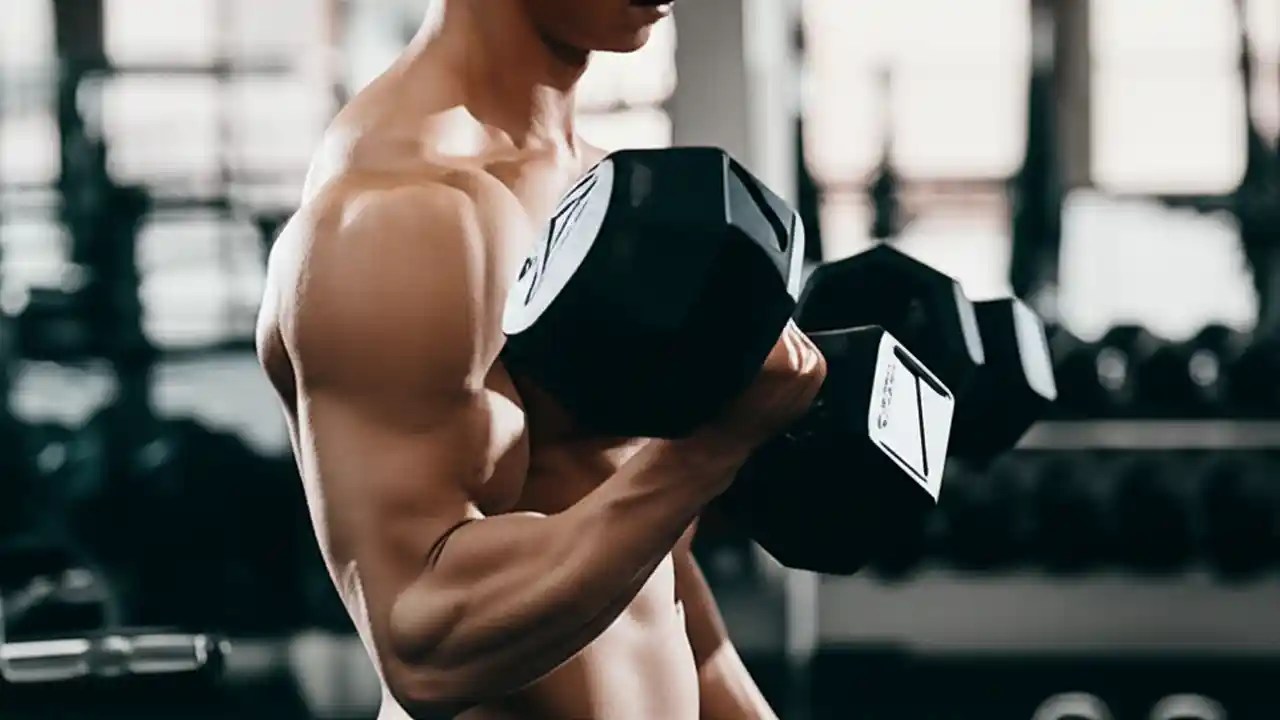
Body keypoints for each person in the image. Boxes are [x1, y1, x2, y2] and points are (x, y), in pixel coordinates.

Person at [255, 1, 826, 718]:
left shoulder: (595, 181)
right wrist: (709, 452)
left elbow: (654, 573)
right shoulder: (406, 218)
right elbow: (425, 646)